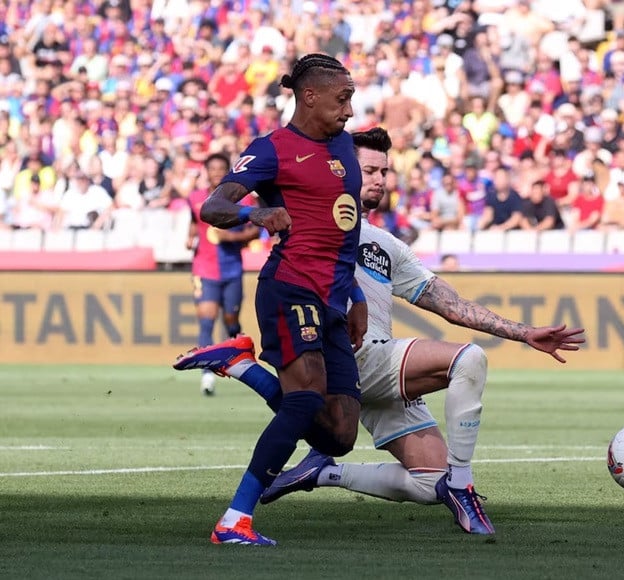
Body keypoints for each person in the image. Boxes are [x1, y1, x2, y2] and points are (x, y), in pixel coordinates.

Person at [175, 127, 585, 538]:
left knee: (427, 484)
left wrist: (524, 332)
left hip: (374, 375)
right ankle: (463, 486)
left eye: (383, 172)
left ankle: (322, 471)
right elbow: (248, 204)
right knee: (469, 359)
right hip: (351, 354)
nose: (378, 179)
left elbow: (453, 305)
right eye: (368, 169)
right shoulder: (320, 218)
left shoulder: (386, 244)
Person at [181, 54, 366, 546]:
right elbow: (213, 206)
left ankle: (242, 366)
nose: (349, 110)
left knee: (339, 435)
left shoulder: (345, 145)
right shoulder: (273, 150)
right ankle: (234, 520)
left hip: (334, 299)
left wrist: (358, 296)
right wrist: (256, 216)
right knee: (305, 399)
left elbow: (345, 228)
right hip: (289, 287)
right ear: (310, 96)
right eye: (342, 99)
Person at [186, 153, 260, 396]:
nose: (217, 172)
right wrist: (190, 238)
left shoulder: (243, 199)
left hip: (231, 268)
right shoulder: (195, 199)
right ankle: (207, 375)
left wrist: (232, 237)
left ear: (227, 171)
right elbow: (194, 224)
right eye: (213, 168)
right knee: (206, 320)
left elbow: (254, 232)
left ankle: (236, 361)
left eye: (221, 168)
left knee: (230, 321)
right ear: (206, 171)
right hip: (204, 268)